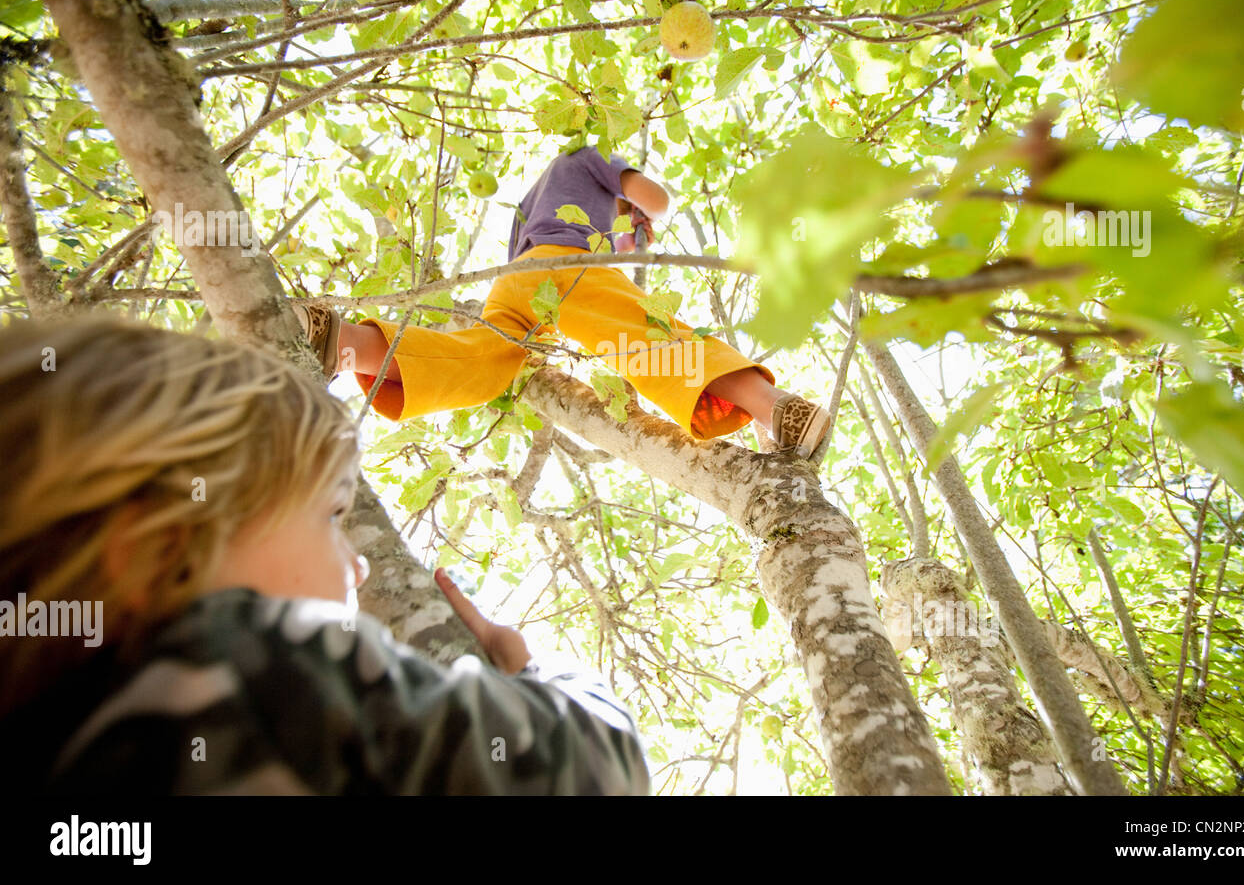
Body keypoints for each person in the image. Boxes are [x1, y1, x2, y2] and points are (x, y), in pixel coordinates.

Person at [0, 314, 650, 794]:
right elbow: (602, 765)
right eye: (330, 515)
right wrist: (535, 675)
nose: (358, 564)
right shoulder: (242, 669)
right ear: (158, 551)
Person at [294, 144, 832, 457]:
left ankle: (341, 341)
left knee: (480, 361)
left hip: (516, 282)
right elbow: (659, 202)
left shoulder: (534, 199)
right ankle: (776, 408)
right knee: (645, 338)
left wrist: (620, 230)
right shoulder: (588, 156)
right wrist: (636, 202)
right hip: (564, 269)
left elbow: (582, 241)